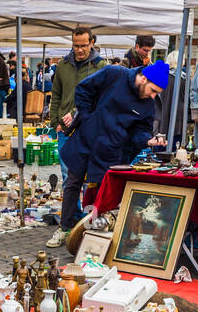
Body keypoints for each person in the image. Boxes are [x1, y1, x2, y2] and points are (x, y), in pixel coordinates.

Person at [59, 61, 167, 247]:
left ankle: (96, 233)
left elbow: (140, 130)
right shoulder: (114, 73)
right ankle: (65, 228)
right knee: (73, 182)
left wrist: (147, 140)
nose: (153, 95)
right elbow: (83, 90)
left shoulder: (148, 104)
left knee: (103, 192)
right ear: (143, 78)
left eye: (157, 93)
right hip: (87, 139)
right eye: (153, 90)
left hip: (111, 150)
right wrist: (87, 118)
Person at [46, 26, 105, 247]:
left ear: (91, 42)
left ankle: (86, 222)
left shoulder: (100, 66)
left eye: (83, 45)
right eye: (75, 45)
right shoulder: (63, 65)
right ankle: (68, 224)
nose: (79, 50)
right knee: (68, 177)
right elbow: (56, 96)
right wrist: (55, 122)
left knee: (90, 178)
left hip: (89, 130)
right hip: (66, 129)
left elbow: (101, 99)